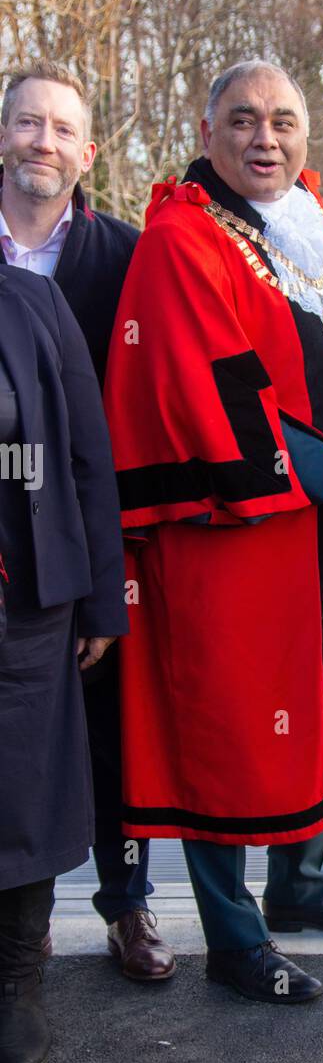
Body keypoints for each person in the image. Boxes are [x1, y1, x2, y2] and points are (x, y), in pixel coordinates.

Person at [102, 59, 323, 1004]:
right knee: (229, 721)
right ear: (208, 134)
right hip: (228, 530)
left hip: (320, 527)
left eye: (283, 119)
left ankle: (303, 886)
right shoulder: (180, 238)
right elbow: (208, 384)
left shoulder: (303, 224)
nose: (264, 137)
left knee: (318, 692)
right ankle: (235, 939)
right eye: (242, 119)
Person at [0, 60, 175, 981]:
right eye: (29, 124)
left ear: (87, 150)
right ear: (3, 136)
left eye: (64, 130)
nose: (44, 144)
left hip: (81, 533)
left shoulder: (126, 253)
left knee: (110, 729)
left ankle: (128, 905)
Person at [0, 263, 127, 1063]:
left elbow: (87, 456)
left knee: (25, 792)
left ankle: (16, 984)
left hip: (26, 604)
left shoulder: (33, 302)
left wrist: (102, 599)